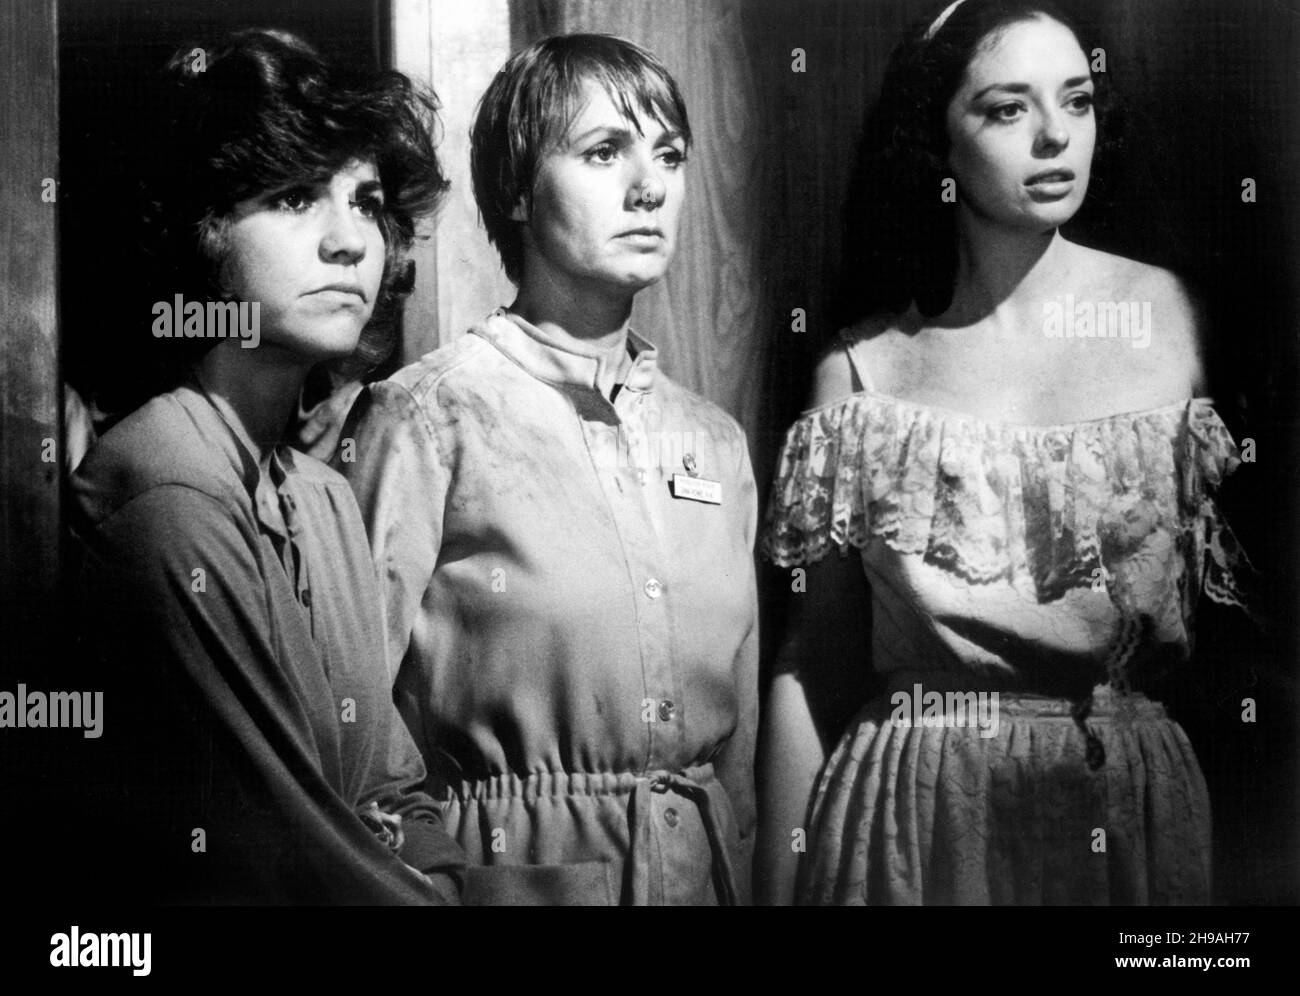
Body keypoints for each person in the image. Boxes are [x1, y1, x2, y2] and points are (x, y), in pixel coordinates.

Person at [756, 0, 1254, 905]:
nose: (1057, 136)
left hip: (1121, 817)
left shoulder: (1174, 319)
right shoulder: (862, 373)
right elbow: (811, 663)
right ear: (936, 141)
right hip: (917, 824)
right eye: (1008, 108)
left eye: (1078, 100)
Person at [337, 33, 759, 905]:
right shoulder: (425, 418)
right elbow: (344, 721)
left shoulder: (714, 442)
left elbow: (742, 753)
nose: (650, 187)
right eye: (605, 152)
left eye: (670, 156)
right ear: (521, 191)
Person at [68, 29, 464, 903]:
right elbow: (282, 845)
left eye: (365, 202)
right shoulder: (167, 478)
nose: (348, 241)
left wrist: (436, 873)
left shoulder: (320, 496)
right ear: (201, 233)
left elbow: (394, 785)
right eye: (291, 199)